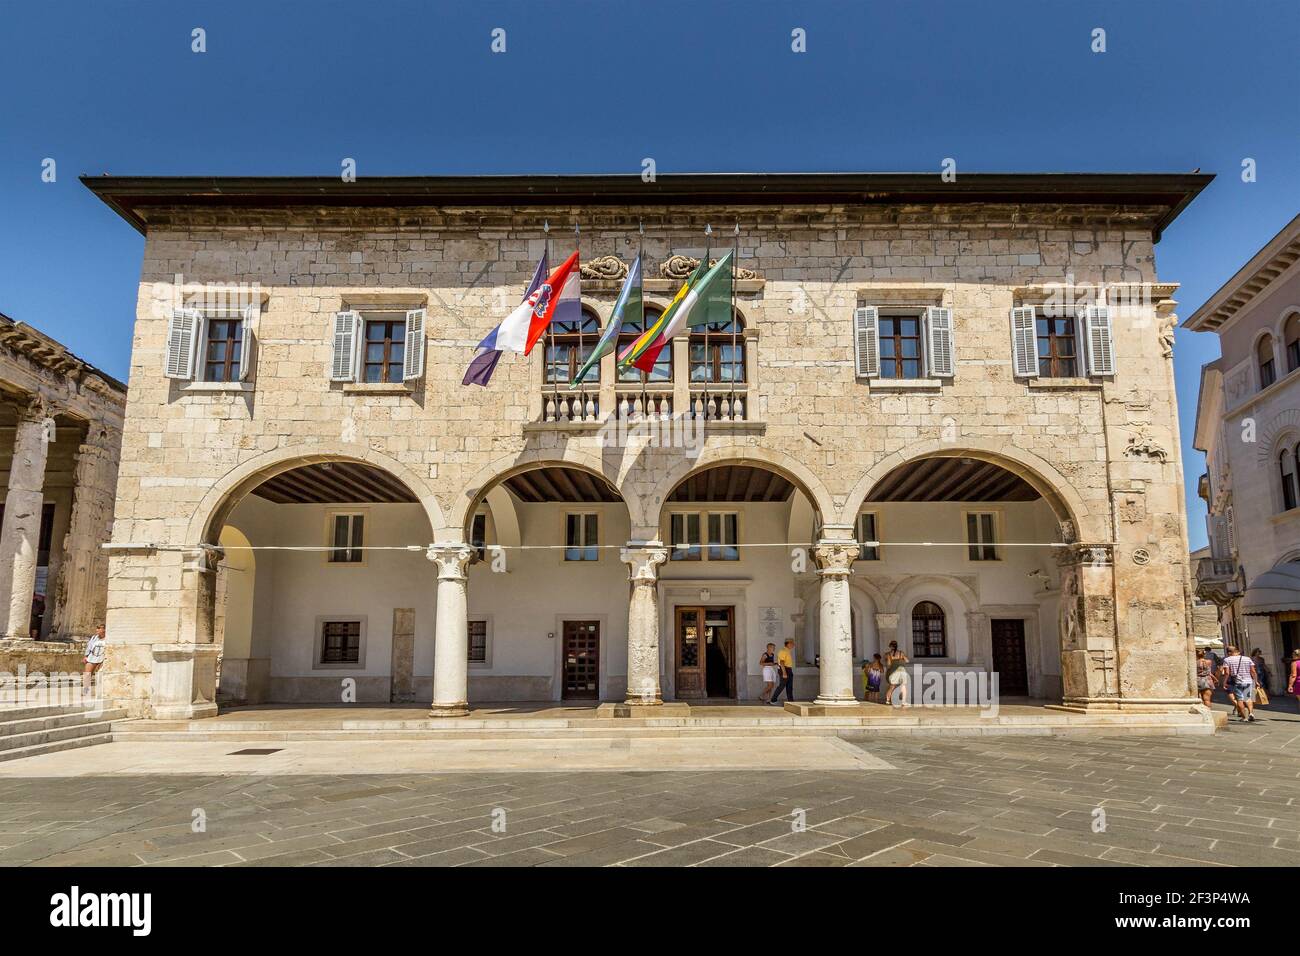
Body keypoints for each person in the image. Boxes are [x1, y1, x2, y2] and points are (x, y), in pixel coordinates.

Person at [1218, 644, 1258, 723]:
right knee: (1249, 698)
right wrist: (1256, 681)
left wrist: (1224, 682)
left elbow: (1227, 673)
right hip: (1249, 681)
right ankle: (1251, 713)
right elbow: (1253, 671)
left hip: (1237, 682)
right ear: (1236, 651)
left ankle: (1244, 718)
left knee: (1239, 699)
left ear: (1229, 652)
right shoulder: (1247, 658)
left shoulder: (1227, 660)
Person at [83, 623, 106, 697]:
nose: (97, 630)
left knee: (99, 675)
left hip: (101, 658)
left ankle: (99, 692)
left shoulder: (107, 638)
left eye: (99, 628)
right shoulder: (94, 637)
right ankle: (86, 691)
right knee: (87, 674)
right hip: (92, 657)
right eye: (97, 628)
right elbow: (89, 647)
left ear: (104, 629)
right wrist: (86, 656)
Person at [769, 639, 796, 705]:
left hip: (788, 669)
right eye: (792, 643)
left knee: (789, 686)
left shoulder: (787, 651)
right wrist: (784, 672)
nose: (793, 645)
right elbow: (781, 662)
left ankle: (791, 701)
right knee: (781, 686)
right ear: (788, 644)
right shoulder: (783, 651)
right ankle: (773, 700)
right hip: (784, 669)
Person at [884, 640, 910, 707]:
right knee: (903, 686)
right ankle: (903, 702)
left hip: (893, 672)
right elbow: (907, 661)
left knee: (892, 686)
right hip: (902, 671)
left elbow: (888, 664)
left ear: (890, 646)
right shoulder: (901, 653)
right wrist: (902, 658)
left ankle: (887, 700)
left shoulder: (888, 654)